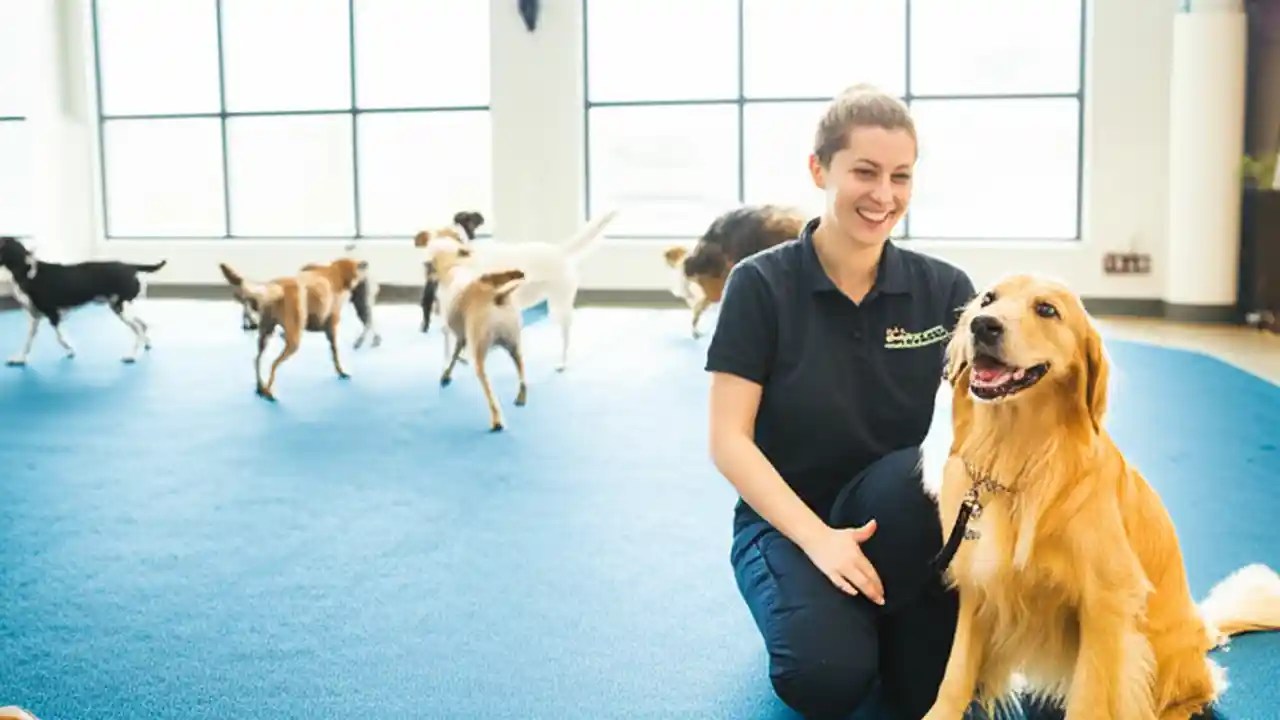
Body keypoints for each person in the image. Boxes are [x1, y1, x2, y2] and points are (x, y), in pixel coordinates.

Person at [705, 84, 979, 719]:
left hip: (906, 520)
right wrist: (820, 540)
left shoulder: (945, 290)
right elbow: (728, 439)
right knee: (824, 679)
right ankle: (843, 617)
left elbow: (978, 430)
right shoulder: (760, 285)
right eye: (865, 172)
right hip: (789, 522)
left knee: (939, 692)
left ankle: (887, 614)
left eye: (900, 177)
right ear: (819, 169)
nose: (884, 195)